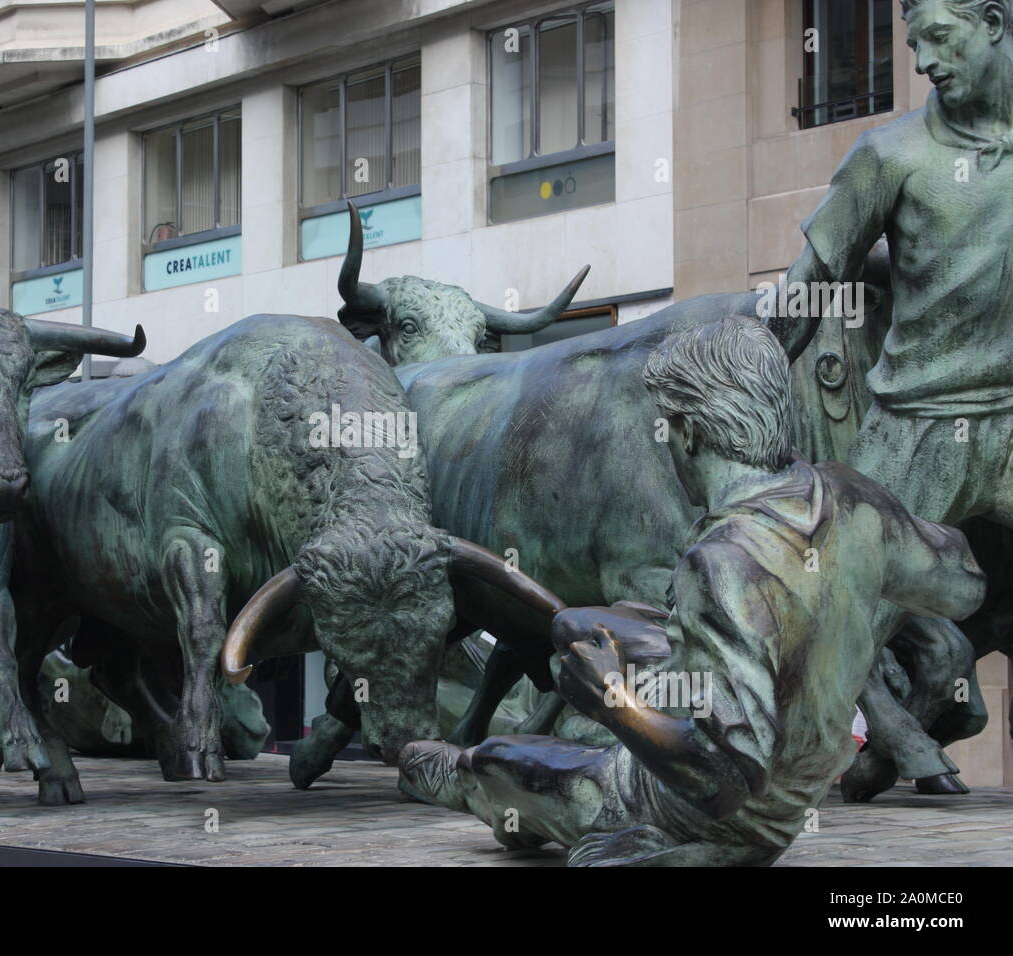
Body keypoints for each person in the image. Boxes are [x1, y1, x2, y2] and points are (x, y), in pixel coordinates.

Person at [398, 317, 984, 866]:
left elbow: (724, 777)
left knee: (503, 762)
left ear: (691, 432)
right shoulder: (852, 497)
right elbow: (963, 587)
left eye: (667, 427)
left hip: (720, 820)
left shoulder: (721, 564)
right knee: (575, 626)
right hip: (789, 762)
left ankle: (467, 779)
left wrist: (613, 699)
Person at [766, 0, 1013, 798]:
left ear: (995, 23)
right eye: (915, 45)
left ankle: (895, 743)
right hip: (914, 422)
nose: (924, 61)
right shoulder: (889, 155)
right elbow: (807, 289)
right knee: (845, 615)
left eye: (939, 38)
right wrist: (750, 391)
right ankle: (775, 784)